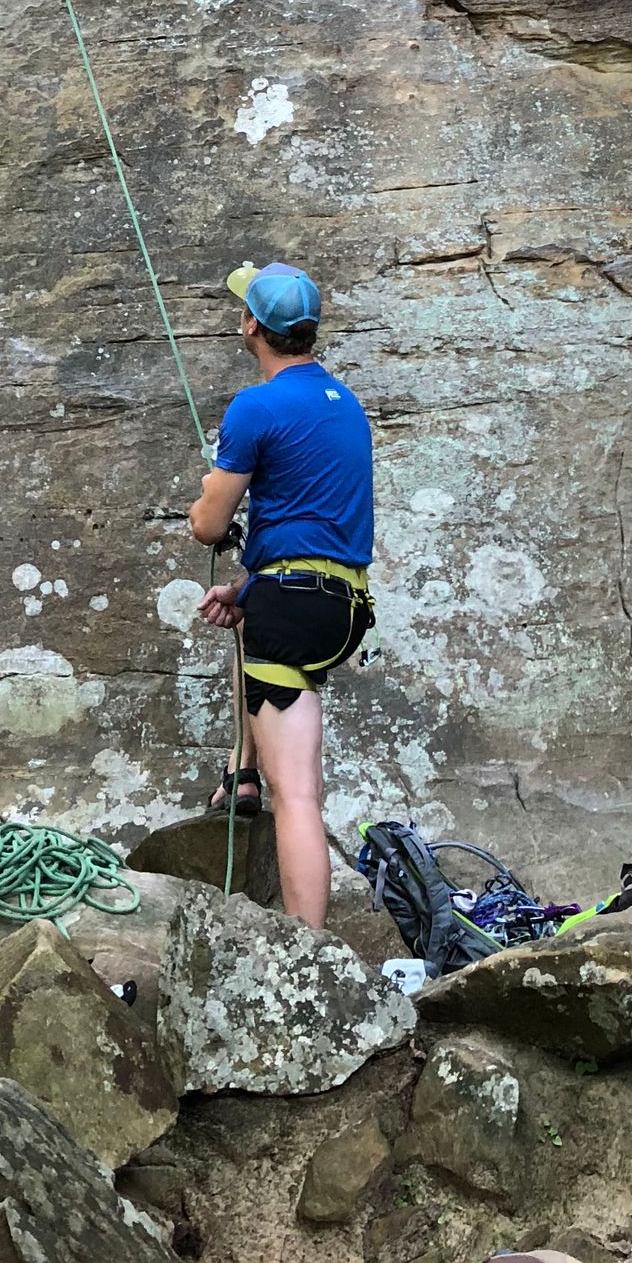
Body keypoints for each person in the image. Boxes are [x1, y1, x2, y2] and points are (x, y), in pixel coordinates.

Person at [187, 261, 375, 927]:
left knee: (296, 795)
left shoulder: (256, 407)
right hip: (343, 606)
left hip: (294, 605)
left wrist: (199, 513)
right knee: (250, 625)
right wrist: (248, 588)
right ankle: (240, 771)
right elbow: (319, 531)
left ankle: (309, 953)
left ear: (252, 327)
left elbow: (210, 523)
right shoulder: (344, 403)